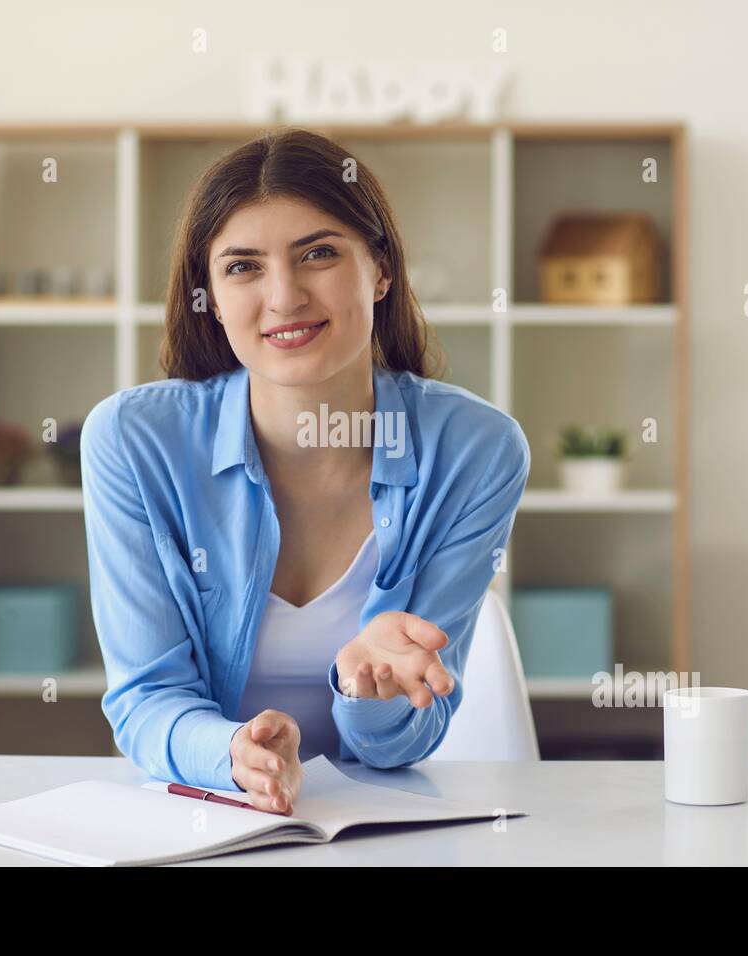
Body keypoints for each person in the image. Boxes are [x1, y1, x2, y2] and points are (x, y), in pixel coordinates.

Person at [80, 127, 530, 816]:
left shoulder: (476, 449)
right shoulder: (135, 442)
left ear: (379, 268)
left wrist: (368, 690)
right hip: (204, 817)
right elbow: (146, 700)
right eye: (243, 267)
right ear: (211, 295)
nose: (284, 297)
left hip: (379, 826)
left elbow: (411, 736)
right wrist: (238, 755)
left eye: (317, 253)